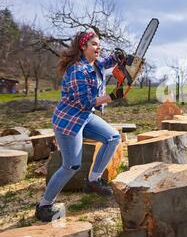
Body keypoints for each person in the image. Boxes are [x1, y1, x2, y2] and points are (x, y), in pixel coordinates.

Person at [35, 31, 127, 222]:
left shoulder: (95, 63)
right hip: (68, 122)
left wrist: (120, 57)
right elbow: (86, 102)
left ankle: (93, 180)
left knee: (112, 138)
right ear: (83, 47)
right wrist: (113, 96)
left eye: (98, 44)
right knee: (71, 166)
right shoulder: (77, 70)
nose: (98, 47)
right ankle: (44, 205)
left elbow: (107, 62)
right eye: (94, 44)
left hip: (84, 117)